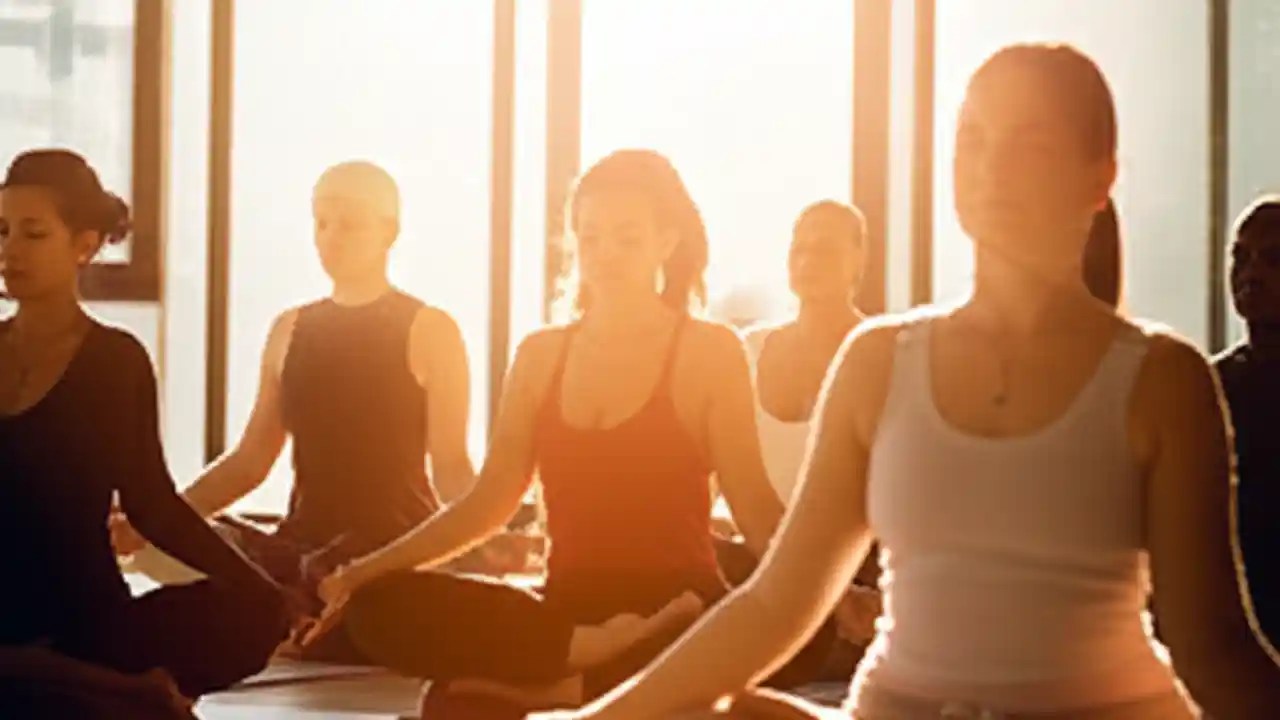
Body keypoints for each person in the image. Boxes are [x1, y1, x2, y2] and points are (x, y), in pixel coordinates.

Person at [532, 44, 1280, 720]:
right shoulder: (878, 361)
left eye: (1030, 143)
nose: (991, 167)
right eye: (973, 140)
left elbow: (1213, 647)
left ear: (1099, 178)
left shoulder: (1163, 380)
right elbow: (773, 603)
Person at [309, 149, 847, 711]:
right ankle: (597, 673)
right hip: (566, 614)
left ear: (667, 240)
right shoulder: (541, 355)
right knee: (376, 609)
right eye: (590, 238)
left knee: (815, 630)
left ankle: (569, 684)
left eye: (626, 238)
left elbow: (755, 506)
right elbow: (489, 500)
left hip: (683, 605)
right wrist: (365, 572)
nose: (604, 255)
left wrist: (833, 587)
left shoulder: (711, 352)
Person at [109, 162, 517, 652]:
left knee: (380, 592)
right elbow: (249, 461)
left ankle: (313, 616)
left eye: (349, 224)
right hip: (297, 550)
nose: (331, 237)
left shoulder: (431, 329)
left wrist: (490, 532)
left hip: (390, 550)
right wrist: (155, 521)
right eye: (321, 222)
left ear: (389, 231)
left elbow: (451, 464)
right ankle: (305, 613)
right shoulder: (290, 329)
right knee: (159, 551)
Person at [0, 148, 290, 699]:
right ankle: (114, 694)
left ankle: (85, 683)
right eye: (2, 230)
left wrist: (257, 588)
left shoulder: (115, 360)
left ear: (84, 245)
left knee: (253, 613)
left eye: (33, 234)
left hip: (86, 621)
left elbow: (152, 504)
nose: (10, 250)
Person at [738, 200, 879, 647]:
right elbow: (716, 482)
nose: (806, 261)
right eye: (798, 249)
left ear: (858, 259)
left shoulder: (880, 354)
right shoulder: (750, 350)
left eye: (824, 250)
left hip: (851, 559)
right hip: (761, 557)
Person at [1214, 195, 1280, 649]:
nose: (1250, 272)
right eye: (1240, 257)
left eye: (1274, 258)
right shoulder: (1205, 387)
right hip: (1228, 631)